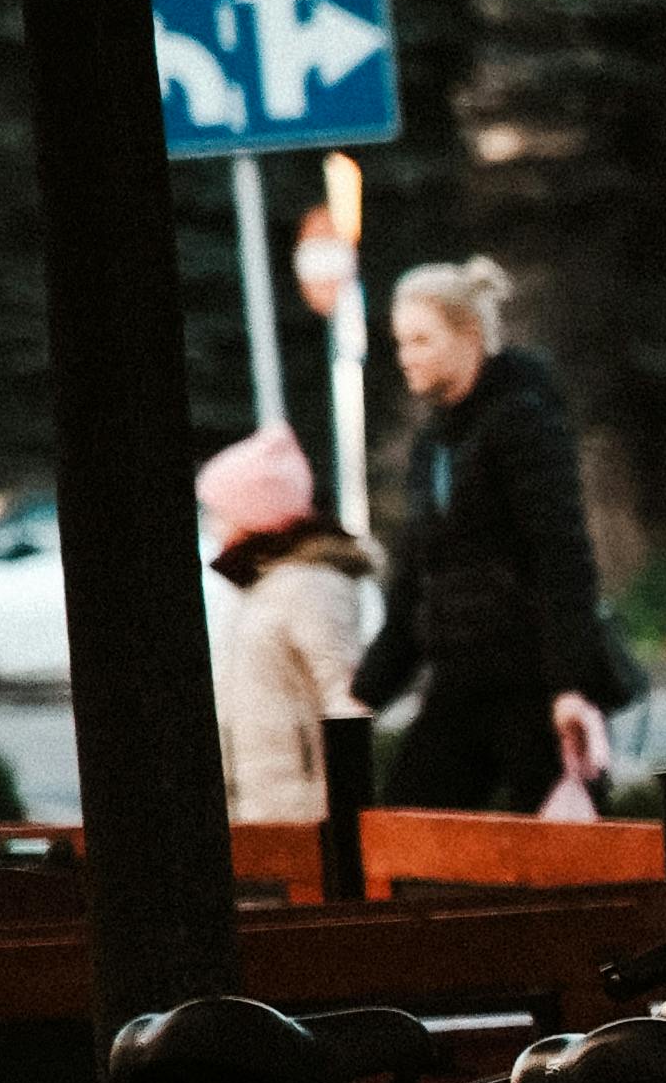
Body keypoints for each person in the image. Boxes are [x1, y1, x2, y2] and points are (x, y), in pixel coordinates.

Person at [351, 259, 635, 814]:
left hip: (531, 683)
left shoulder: (522, 423)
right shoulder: (433, 445)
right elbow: (415, 583)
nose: (406, 355)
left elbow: (562, 557)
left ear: (470, 337)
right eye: (401, 341)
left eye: (422, 340)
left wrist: (569, 687)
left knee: (566, 862)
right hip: (460, 682)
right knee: (410, 834)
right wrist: (364, 695)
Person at [195, 419, 378, 823]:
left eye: (219, 512)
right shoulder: (259, 585)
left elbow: (343, 695)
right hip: (260, 805)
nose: (211, 524)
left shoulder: (309, 585)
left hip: (304, 810)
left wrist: (346, 814)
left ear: (255, 513)